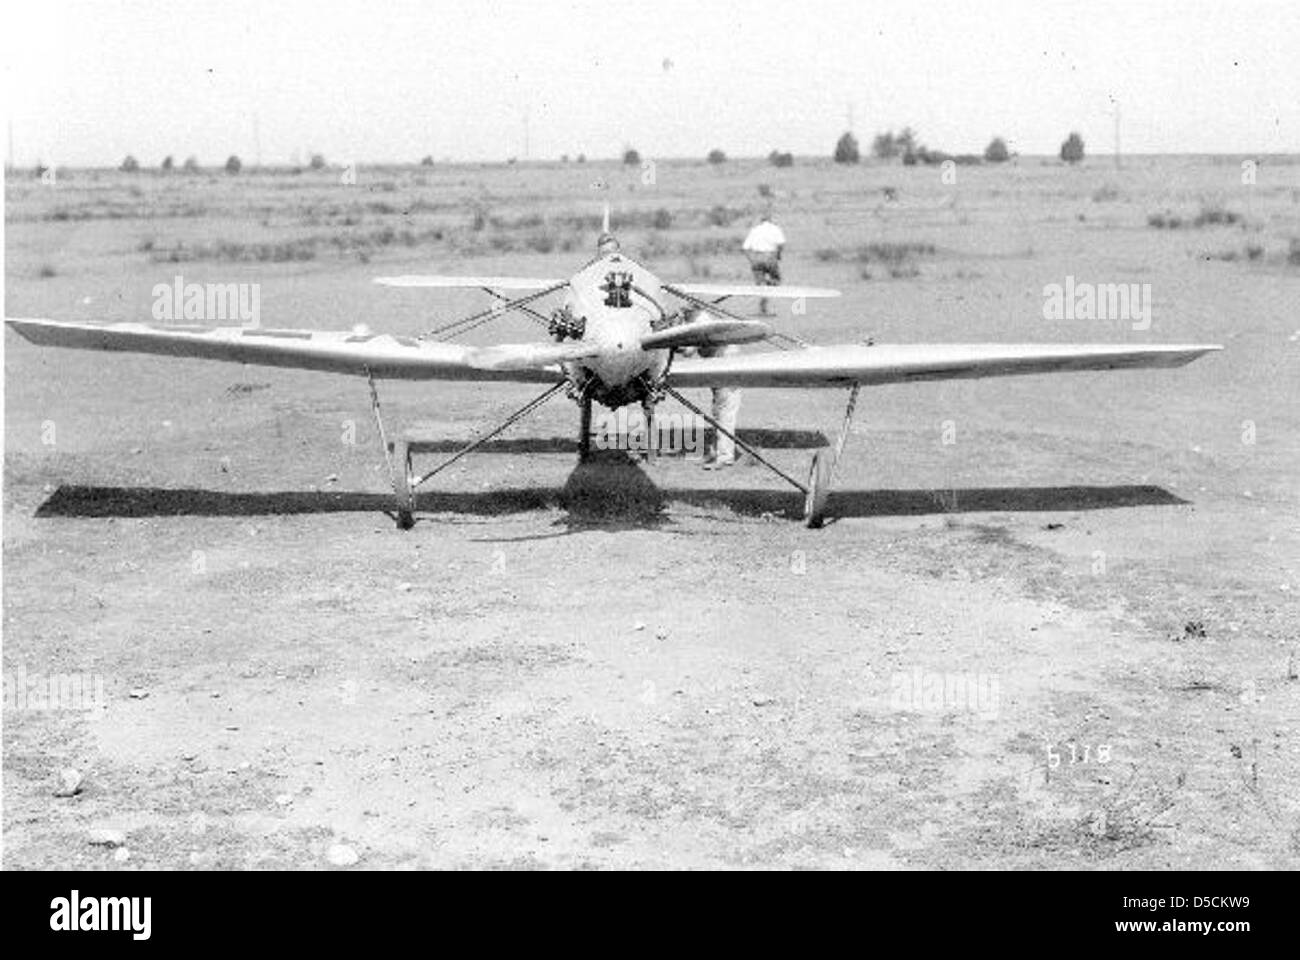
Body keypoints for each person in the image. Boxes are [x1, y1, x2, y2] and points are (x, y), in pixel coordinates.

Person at [742, 213, 786, 316]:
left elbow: (745, 248)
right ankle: (768, 286)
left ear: (761, 221)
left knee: (760, 286)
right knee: (776, 281)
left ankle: (763, 308)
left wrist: (751, 260)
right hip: (770, 258)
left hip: (756, 258)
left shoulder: (755, 230)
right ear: (770, 220)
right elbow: (781, 244)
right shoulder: (775, 229)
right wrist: (778, 255)